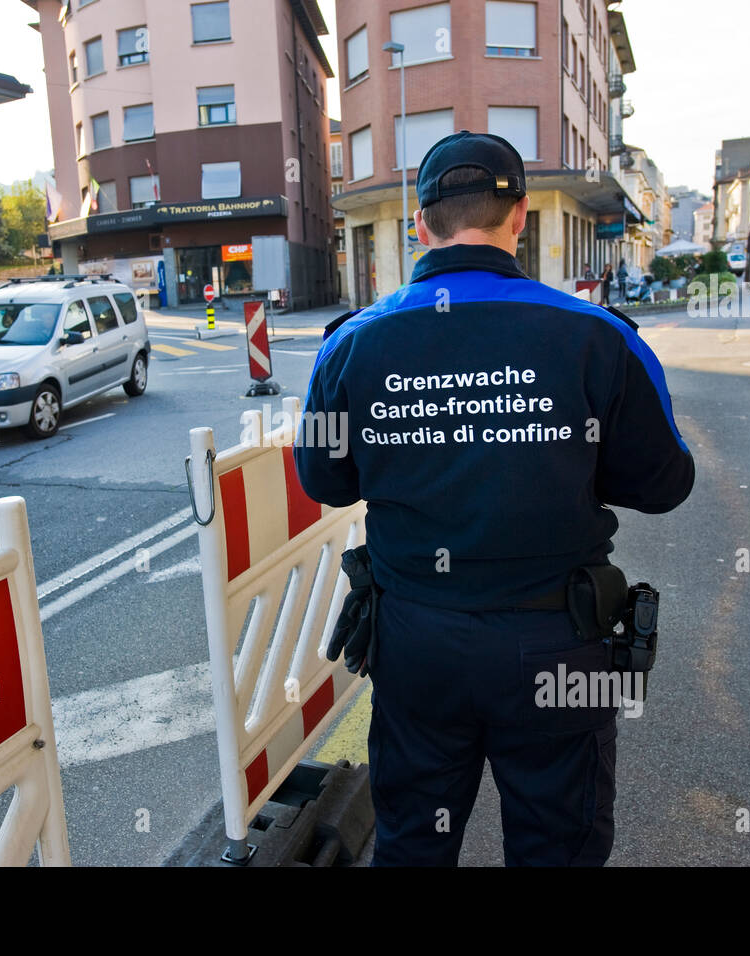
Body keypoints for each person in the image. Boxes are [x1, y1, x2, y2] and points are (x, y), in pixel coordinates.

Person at [294, 131, 695, 866]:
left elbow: (324, 477)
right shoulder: (601, 336)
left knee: (414, 839)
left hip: (417, 643)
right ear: (521, 220)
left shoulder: (349, 345)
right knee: (559, 844)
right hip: (560, 640)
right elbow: (665, 484)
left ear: (421, 226)